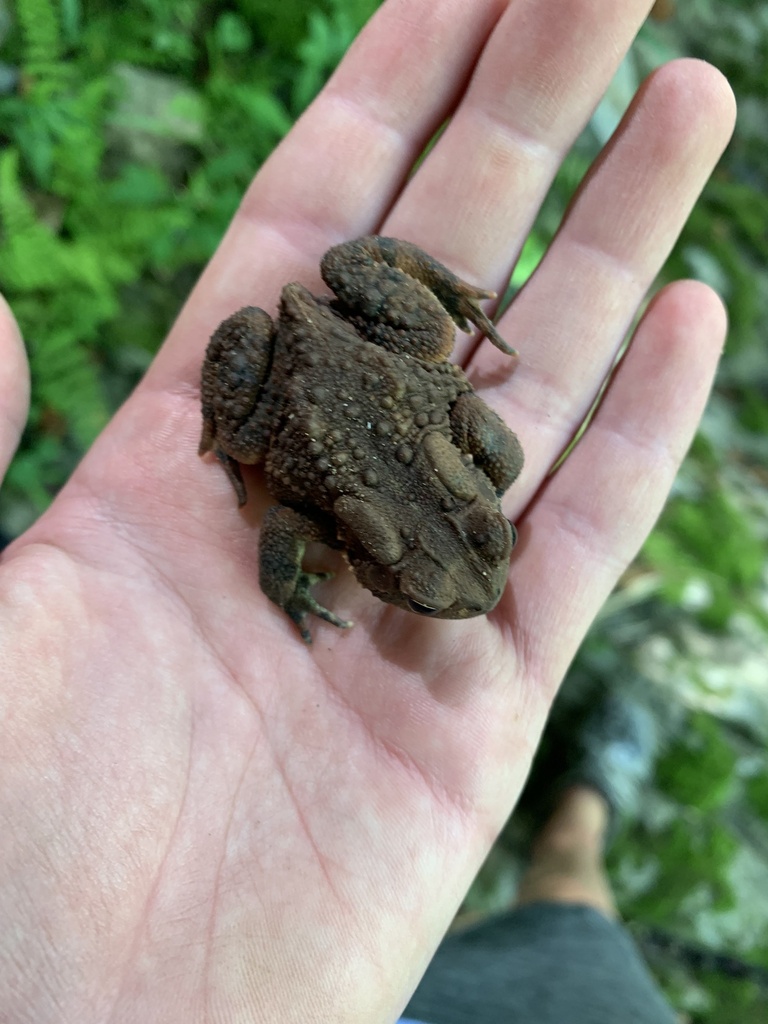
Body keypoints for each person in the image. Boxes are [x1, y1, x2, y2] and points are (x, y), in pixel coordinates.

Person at [0, 1, 734, 1021]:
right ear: (378, 565)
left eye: (479, 543)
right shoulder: (330, 524)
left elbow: (412, 474)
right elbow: (282, 541)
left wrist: (442, 420)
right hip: (313, 376)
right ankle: (580, 833)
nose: (476, 583)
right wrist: (281, 561)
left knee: (374, 344)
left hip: (377, 384)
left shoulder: (404, 496)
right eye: (427, 588)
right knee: (268, 408)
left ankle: (576, 832)